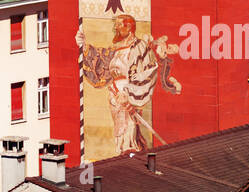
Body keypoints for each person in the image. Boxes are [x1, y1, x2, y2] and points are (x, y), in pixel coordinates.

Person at [76, 13, 180, 152]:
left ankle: (130, 155)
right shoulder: (117, 49)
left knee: (129, 131)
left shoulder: (139, 47)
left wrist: (128, 93)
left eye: (118, 25)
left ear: (129, 27)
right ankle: (122, 155)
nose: (115, 28)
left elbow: (148, 72)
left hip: (130, 96)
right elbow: (101, 60)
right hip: (115, 97)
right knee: (119, 131)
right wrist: (84, 46)